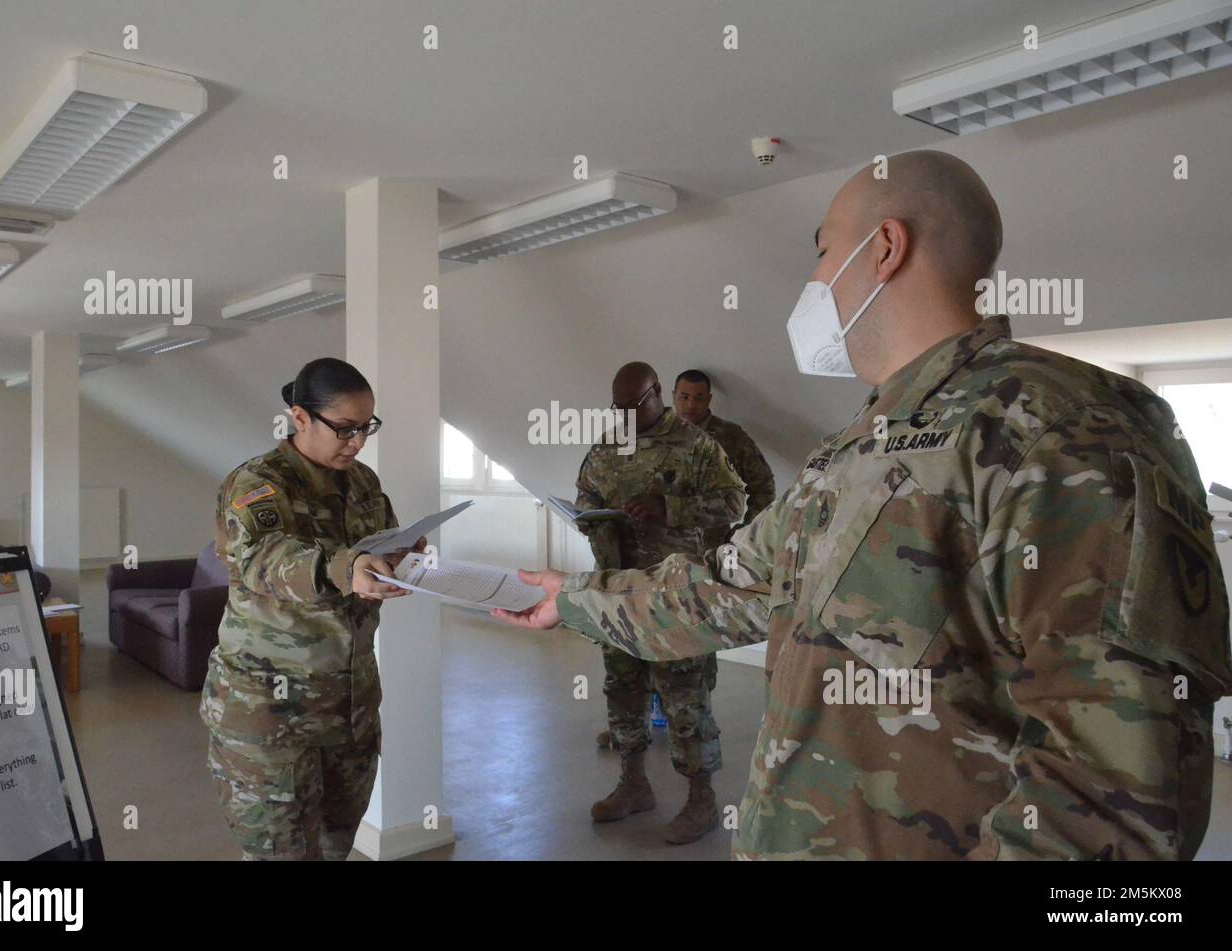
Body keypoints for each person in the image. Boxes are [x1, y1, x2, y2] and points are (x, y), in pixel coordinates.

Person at [497, 149, 1232, 860]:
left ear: (884, 248)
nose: (815, 282)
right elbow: (726, 587)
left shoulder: (1063, 433)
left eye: (822, 254)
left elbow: (1124, 798)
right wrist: (579, 600)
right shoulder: (853, 451)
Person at [200, 357, 419, 860]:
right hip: (269, 712)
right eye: (345, 429)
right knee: (281, 853)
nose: (359, 441)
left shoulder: (362, 481)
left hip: (349, 705)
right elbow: (261, 558)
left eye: (367, 427)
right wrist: (345, 567)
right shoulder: (257, 483)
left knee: (336, 844)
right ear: (300, 418)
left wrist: (403, 554)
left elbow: (382, 541)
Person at [574, 361, 745, 844]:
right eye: (617, 408)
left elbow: (734, 502)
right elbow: (585, 494)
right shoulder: (607, 445)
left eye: (632, 406)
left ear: (655, 396)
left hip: (676, 597)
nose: (624, 416)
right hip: (619, 591)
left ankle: (701, 797)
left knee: (685, 698)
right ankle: (634, 783)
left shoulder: (695, 445)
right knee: (623, 690)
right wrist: (590, 516)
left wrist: (668, 508)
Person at [672, 369, 775, 546]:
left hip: (711, 547)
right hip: (661, 549)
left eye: (699, 398)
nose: (691, 405)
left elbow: (763, 485)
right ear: (673, 396)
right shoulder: (658, 434)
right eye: (684, 397)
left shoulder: (730, 437)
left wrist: (745, 531)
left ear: (709, 399)